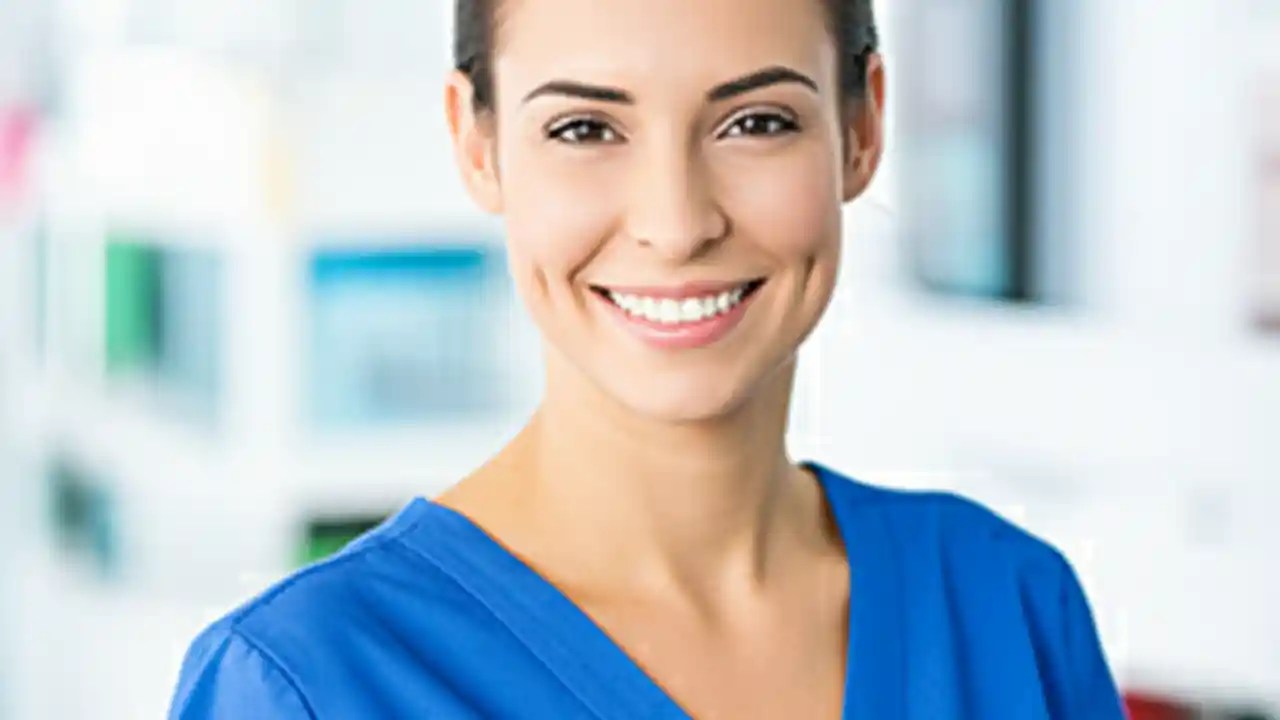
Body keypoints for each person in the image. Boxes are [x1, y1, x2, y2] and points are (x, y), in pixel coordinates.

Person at [167, 0, 1128, 717]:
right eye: (586, 129)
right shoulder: (309, 682)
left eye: (756, 122)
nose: (675, 225)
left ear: (863, 130)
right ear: (478, 144)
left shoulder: (1006, 605)